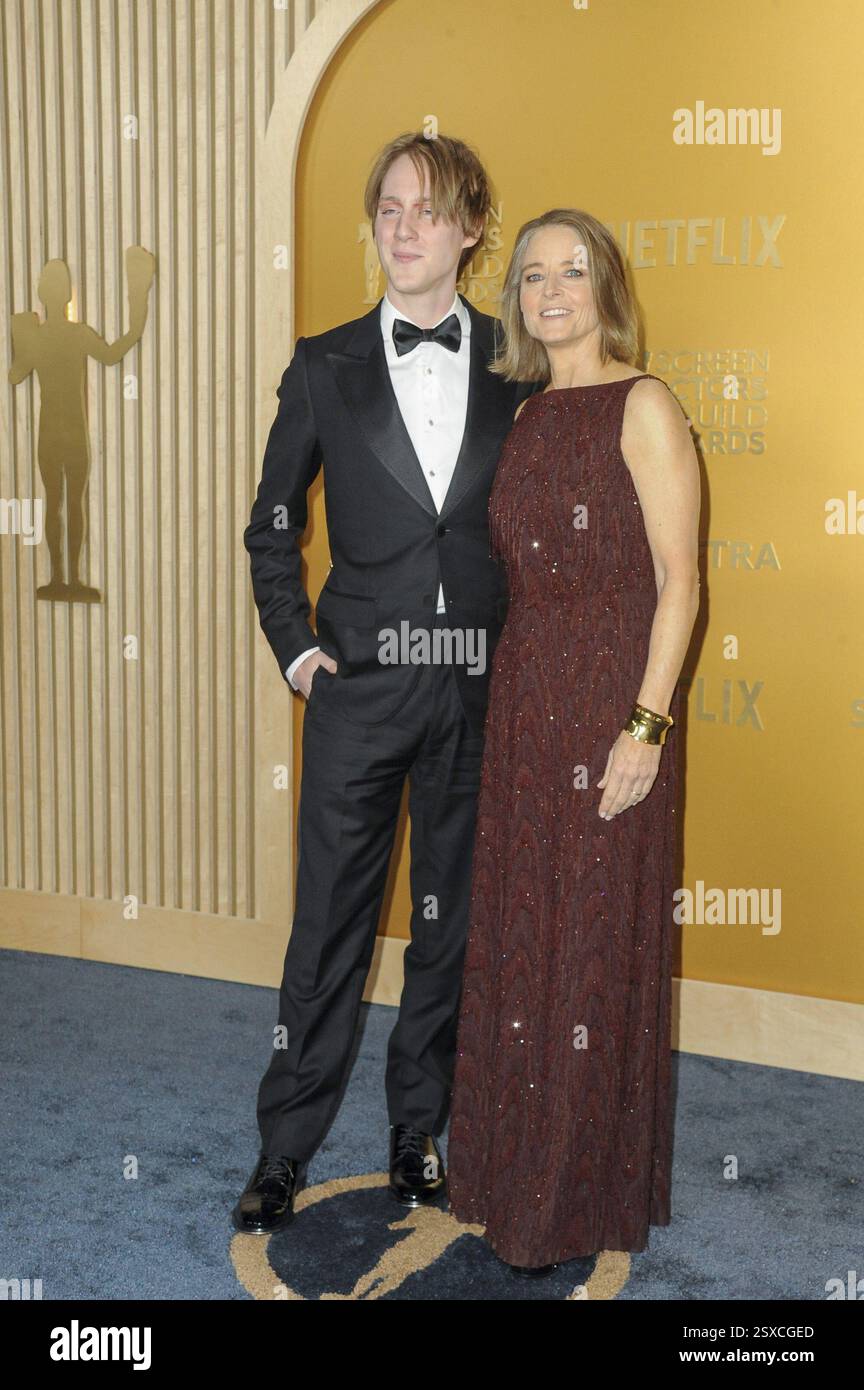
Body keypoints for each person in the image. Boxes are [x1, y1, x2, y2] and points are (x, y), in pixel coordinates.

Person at [233, 132, 539, 1235]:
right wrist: (297, 650)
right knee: (328, 929)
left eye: (426, 209)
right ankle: (284, 1148)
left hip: (477, 691)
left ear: (469, 230)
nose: (402, 228)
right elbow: (274, 523)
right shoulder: (324, 362)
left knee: (447, 924)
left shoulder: (518, 360)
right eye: (388, 208)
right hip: (359, 689)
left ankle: (419, 1132)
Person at [446, 209, 701, 1274]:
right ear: (520, 300)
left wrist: (645, 726)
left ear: (607, 285)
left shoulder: (645, 403)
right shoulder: (523, 415)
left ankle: (570, 1197)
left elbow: (681, 582)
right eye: (535, 274)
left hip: (613, 702)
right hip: (527, 699)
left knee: (592, 945)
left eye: (574, 270)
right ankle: (509, 1170)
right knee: (524, 931)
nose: (553, 289)